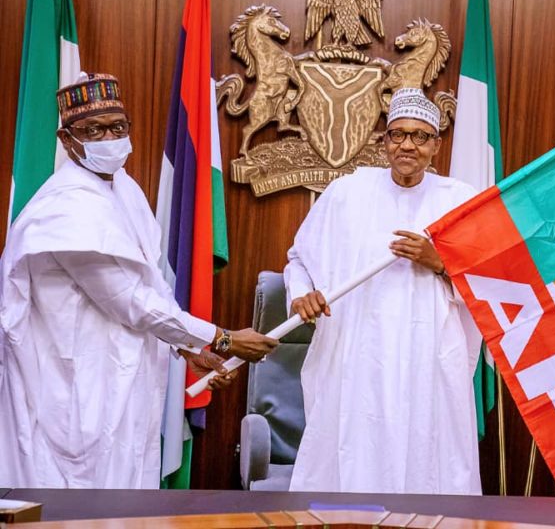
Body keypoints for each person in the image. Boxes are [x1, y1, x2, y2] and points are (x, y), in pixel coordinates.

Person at [0, 73, 277, 489]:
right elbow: (128, 299)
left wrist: (188, 348)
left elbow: (151, 283)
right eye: (93, 129)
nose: (109, 137)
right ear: (65, 137)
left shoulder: (123, 189)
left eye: (118, 126)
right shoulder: (66, 206)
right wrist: (220, 338)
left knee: (124, 495)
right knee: (78, 498)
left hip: (121, 378)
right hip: (73, 387)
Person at [284, 88, 482, 494]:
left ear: (436, 145)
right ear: (384, 141)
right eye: (398, 134)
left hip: (427, 359)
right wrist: (301, 294)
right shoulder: (346, 193)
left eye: (420, 136)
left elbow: (489, 280)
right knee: (354, 453)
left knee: (429, 460)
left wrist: (439, 262)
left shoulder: (459, 201)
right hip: (358, 357)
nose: (407, 145)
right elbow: (299, 260)